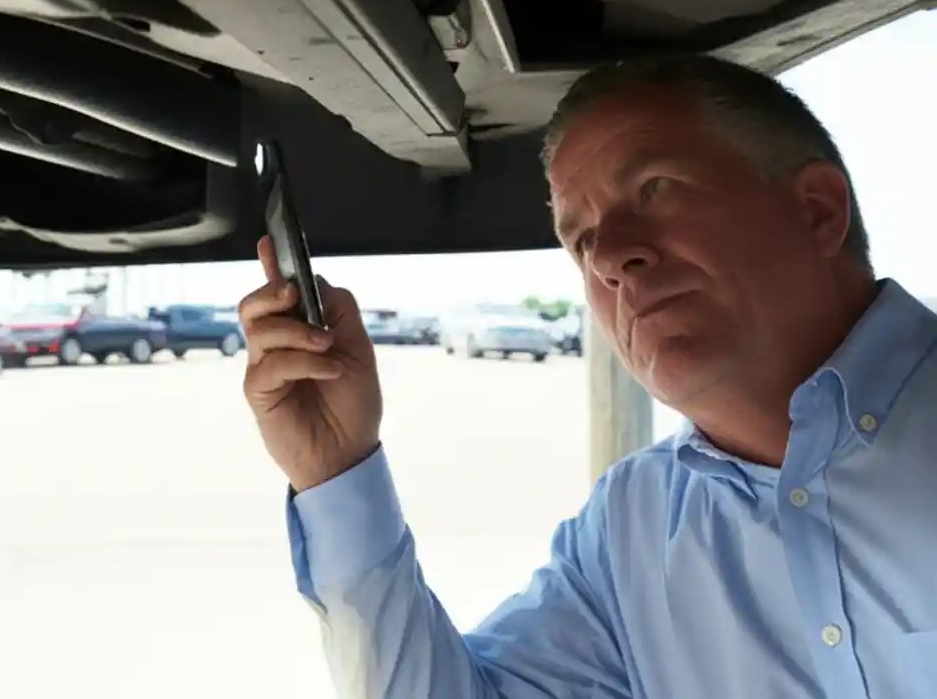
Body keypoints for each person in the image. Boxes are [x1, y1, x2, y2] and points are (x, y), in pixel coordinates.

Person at [237, 54, 937, 698]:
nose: (609, 257)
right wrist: (337, 470)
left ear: (816, 210)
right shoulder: (633, 523)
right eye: (582, 239)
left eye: (655, 190)